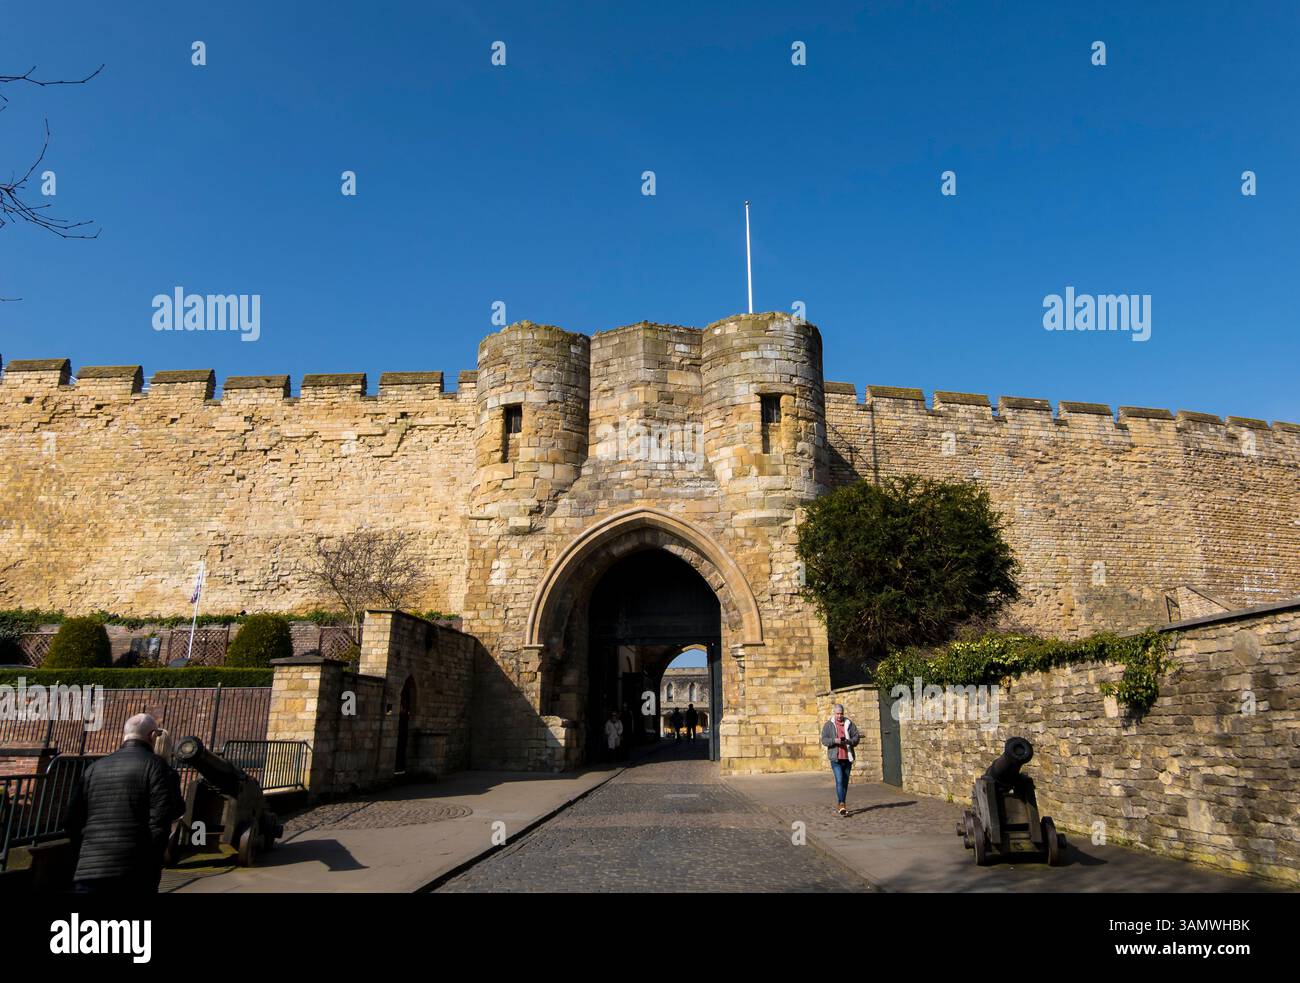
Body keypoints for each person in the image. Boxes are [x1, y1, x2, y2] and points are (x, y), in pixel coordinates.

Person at [64, 713, 185, 893]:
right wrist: (150, 860)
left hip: (89, 869)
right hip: (134, 869)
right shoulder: (157, 767)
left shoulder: (94, 768)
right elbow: (162, 818)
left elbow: (71, 819)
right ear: (152, 736)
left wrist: (85, 854)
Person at [819, 703, 860, 817]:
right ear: (834, 713)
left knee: (845, 783)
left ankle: (841, 803)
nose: (839, 715)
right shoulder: (828, 725)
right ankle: (842, 804)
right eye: (837, 713)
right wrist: (834, 741)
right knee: (839, 780)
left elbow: (856, 738)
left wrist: (848, 741)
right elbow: (824, 740)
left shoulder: (849, 723)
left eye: (841, 713)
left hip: (847, 757)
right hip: (835, 758)